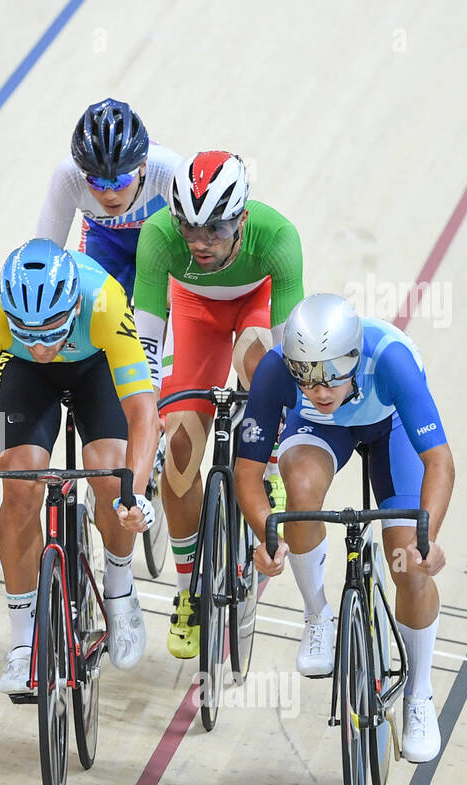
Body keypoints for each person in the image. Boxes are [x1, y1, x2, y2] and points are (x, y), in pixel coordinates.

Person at [235, 293, 454, 762]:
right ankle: (318, 614)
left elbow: (439, 462)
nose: (319, 388)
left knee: (410, 567)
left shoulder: (392, 361)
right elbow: (247, 474)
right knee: (300, 495)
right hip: (321, 431)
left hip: (390, 427)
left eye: (333, 372)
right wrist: (265, 536)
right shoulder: (279, 371)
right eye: (307, 375)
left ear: (355, 357)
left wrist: (426, 538)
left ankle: (419, 692)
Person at [0, 239, 158, 692]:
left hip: (95, 367)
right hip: (24, 377)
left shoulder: (104, 300)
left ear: (75, 304)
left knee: (109, 473)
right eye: (26, 331)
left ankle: (119, 586)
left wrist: (135, 493)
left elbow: (144, 413)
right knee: (20, 484)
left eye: (51, 330)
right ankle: (24, 641)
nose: (41, 343)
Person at [134, 150, 304, 658]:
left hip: (256, 304)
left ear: (242, 220)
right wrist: (148, 421)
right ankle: (188, 591)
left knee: (258, 361)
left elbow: (289, 359)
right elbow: (144, 349)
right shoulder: (159, 237)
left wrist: (289, 435)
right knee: (181, 451)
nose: (200, 243)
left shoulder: (278, 239)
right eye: (190, 228)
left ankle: (265, 462)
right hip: (194, 313)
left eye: (216, 230)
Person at [36, 98, 182, 384]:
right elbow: (44, 259)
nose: (109, 195)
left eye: (118, 183)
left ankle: (162, 391)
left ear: (142, 166)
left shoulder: (170, 171)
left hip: (159, 238)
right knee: (92, 309)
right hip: (105, 240)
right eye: (97, 183)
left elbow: (192, 274)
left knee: (168, 302)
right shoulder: (68, 176)